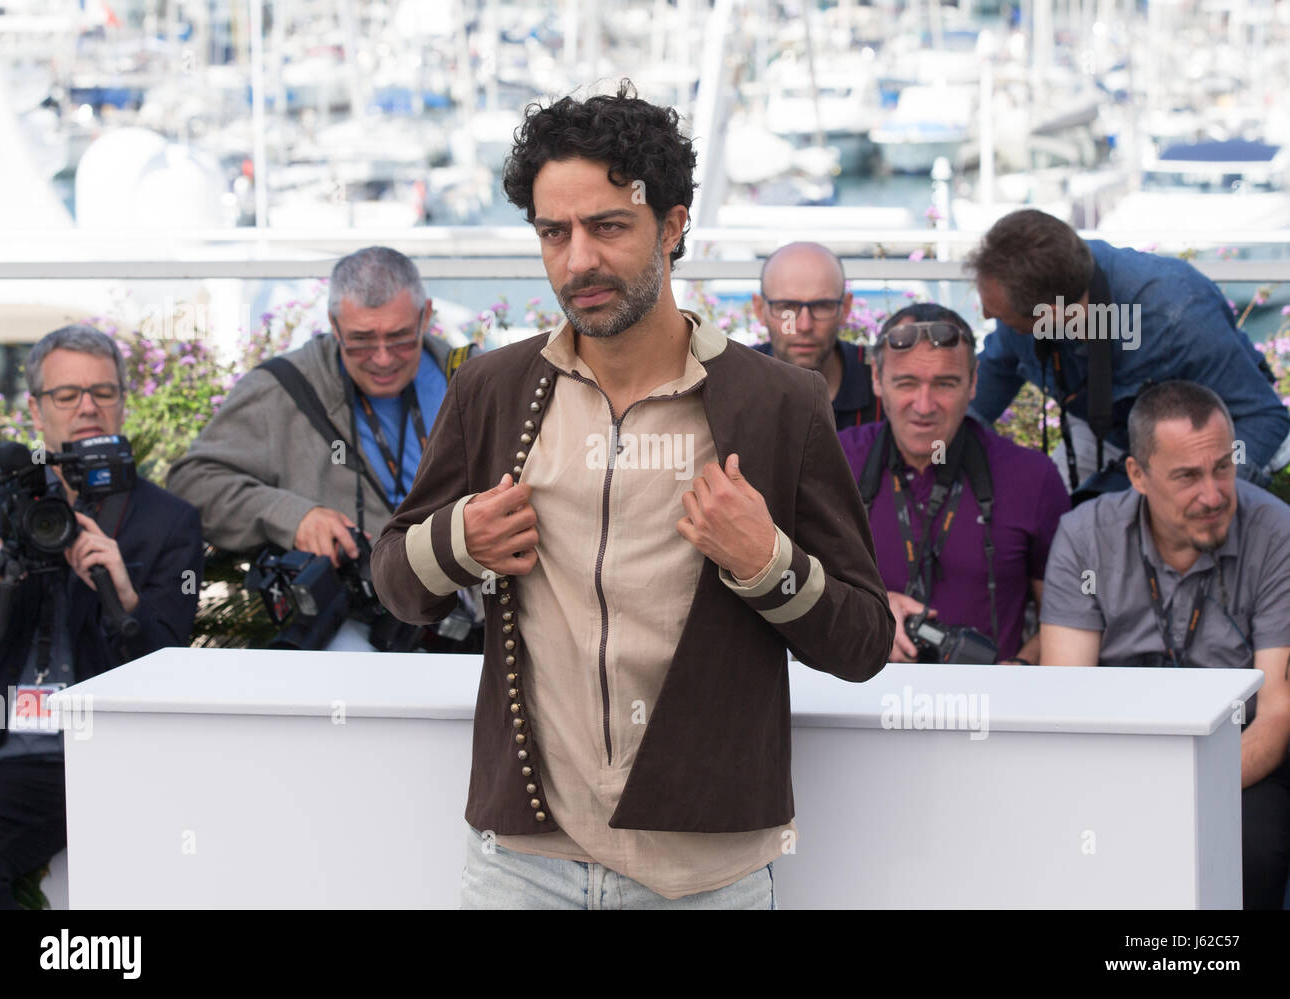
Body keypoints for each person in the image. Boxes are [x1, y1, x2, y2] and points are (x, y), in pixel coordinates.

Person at [371, 82, 895, 910]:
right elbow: (396, 582)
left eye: (609, 226)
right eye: (554, 232)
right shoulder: (494, 390)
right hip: (520, 862)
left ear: (674, 225)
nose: (578, 260)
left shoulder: (778, 406)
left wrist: (769, 565)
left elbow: (864, 640)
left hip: (706, 873)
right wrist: (459, 541)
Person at [1040, 380, 1290, 909]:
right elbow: (1065, 698)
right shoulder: (1086, 535)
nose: (1214, 494)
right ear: (1138, 476)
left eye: (1223, 467)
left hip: (1239, 755)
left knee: (1255, 851)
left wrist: (1180, 792)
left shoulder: (1275, 534)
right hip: (1118, 755)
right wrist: (1128, 792)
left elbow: (1276, 713)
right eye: (1187, 476)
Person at [167, 246, 477, 651]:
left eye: (401, 338)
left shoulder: (473, 377)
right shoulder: (281, 389)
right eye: (361, 341)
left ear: (426, 315)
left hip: (472, 615)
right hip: (357, 625)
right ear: (333, 323)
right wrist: (293, 517)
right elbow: (190, 483)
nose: (383, 359)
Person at [0, 325, 202, 909]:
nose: (87, 406)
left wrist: (125, 598)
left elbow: (168, 671)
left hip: (86, 752)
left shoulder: (166, 521)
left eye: (103, 392)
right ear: (36, 409)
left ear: (123, 402)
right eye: (67, 395)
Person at [965, 209, 1290, 495]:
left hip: (1202, 441)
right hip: (1106, 428)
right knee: (1058, 527)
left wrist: (1207, 489)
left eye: (1001, 316)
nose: (988, 317)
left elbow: (1262, 419)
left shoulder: (1178, 315)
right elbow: (990, 382)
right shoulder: (1037, 286)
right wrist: (937, 442)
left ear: (1051, 315)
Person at [839, 303, 1070, 665]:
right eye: (906, 383)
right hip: (856, 699)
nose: (924, 405)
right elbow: (790, 585)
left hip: (990, 706)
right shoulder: (834, 462)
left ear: (974, 383)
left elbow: (1066, 615)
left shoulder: (1032, 477)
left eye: (945, 384)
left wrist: (1023, 667)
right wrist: (861, 608)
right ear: (876, 381)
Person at [750, 241, 882, 429]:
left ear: (845, 308)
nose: (804, 325)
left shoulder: (885, 382)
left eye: (822, 306)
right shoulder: (731, 382)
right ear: (759, 309)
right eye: (787, 307)